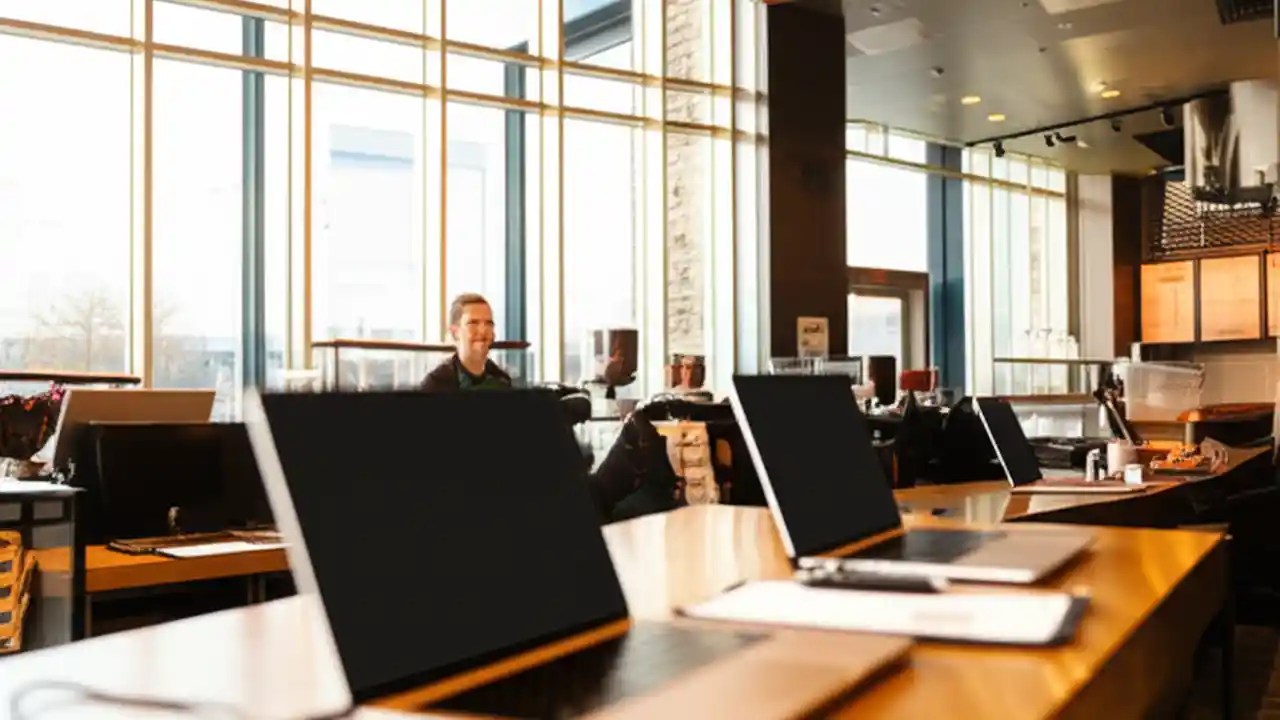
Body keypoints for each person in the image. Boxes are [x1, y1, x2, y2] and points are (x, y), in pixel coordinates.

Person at [420, 293, 512, 392]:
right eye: (473, 323)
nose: (483, 330)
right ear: (455, 332)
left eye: (489, 323)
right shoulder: (436, 384)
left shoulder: (502, 381)